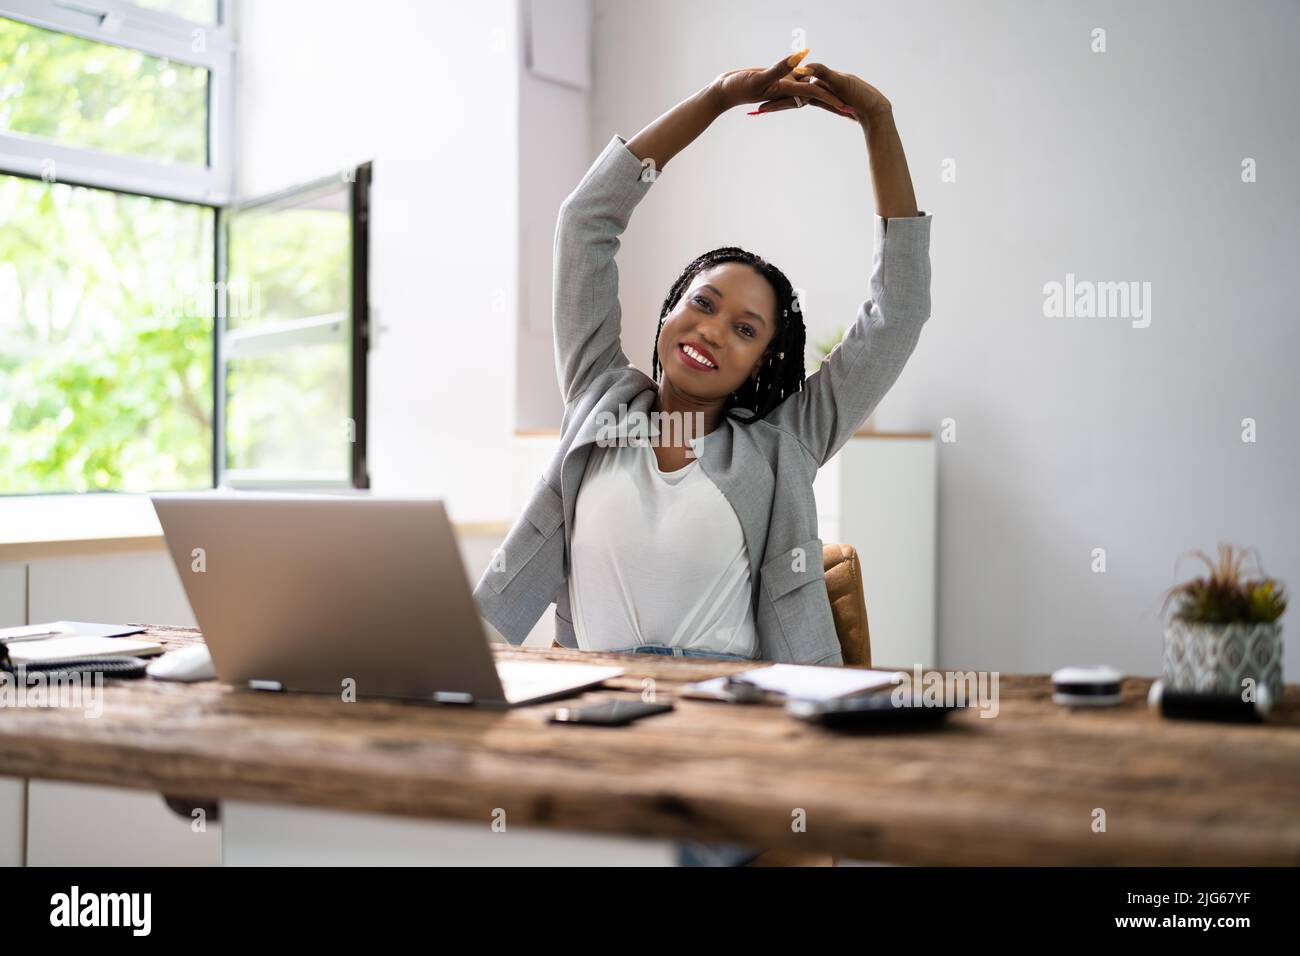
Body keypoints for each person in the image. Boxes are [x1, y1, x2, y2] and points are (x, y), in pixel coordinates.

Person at [475, 50, 932, 865]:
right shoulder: (597, 398)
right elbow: (586, 223)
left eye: (745, 329)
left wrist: (879, 126)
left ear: (763, 363)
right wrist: (720, 99)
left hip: (722, 725)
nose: (712, 330)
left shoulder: (782, 445)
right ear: (669, 311)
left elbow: (896, 315)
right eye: (703, 303)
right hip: (594, 709)